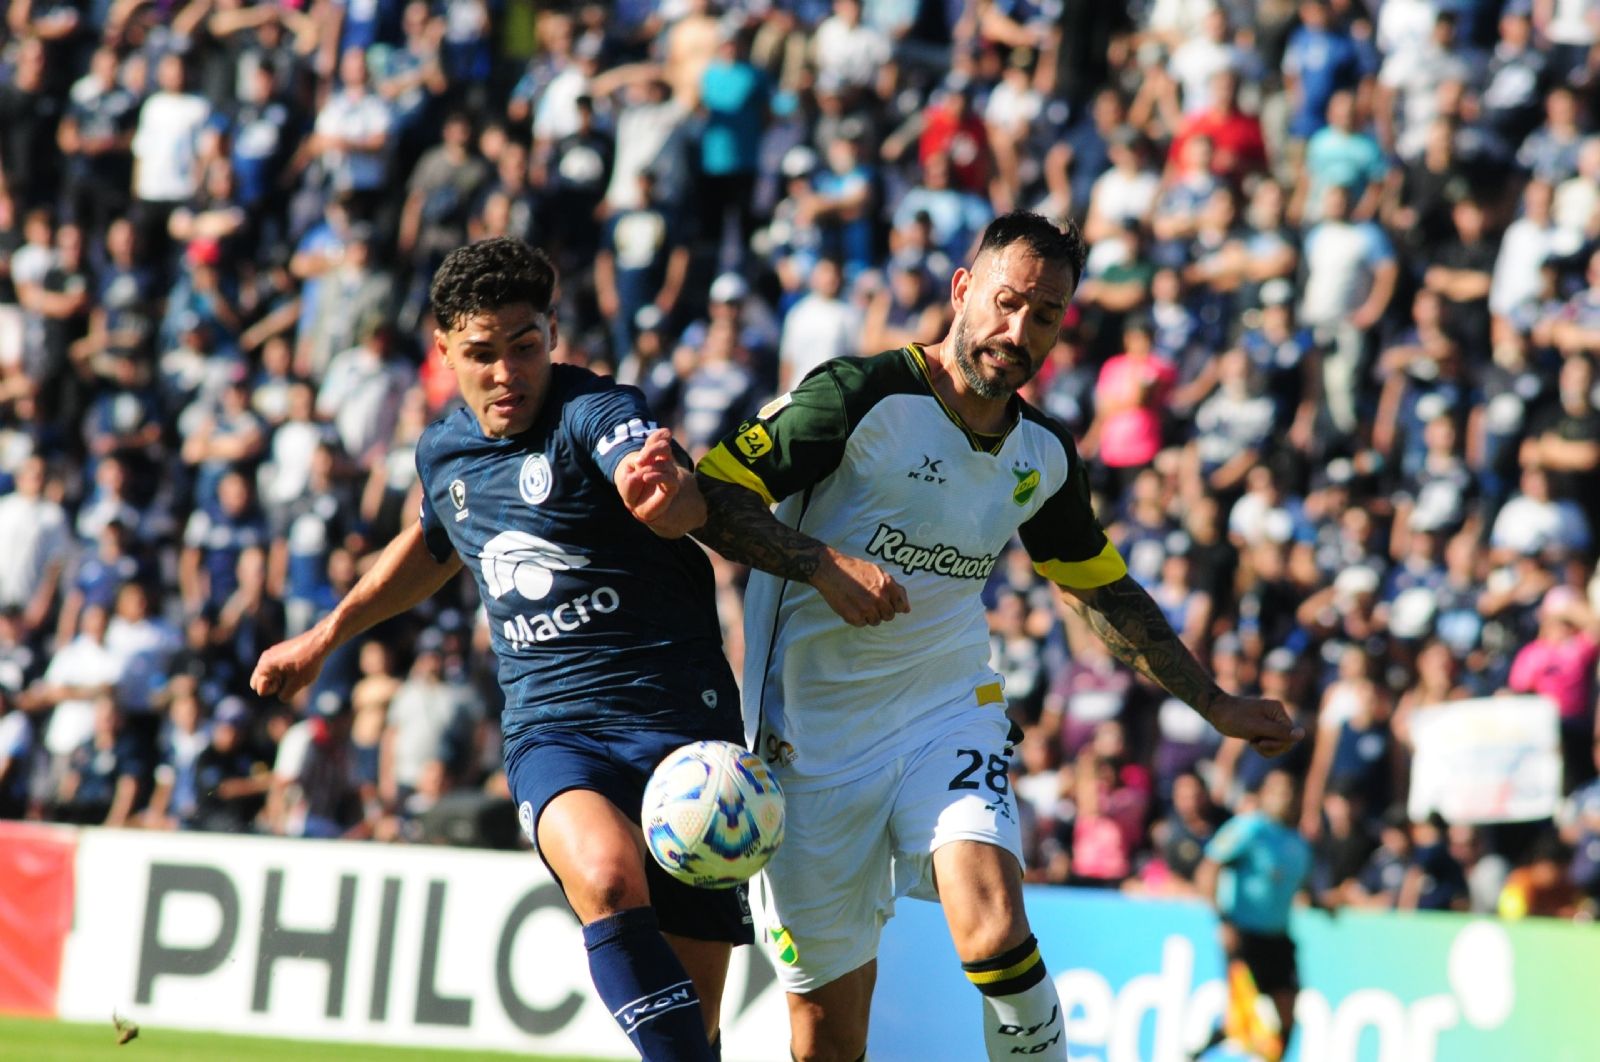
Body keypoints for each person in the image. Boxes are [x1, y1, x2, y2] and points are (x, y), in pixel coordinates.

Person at [692, 211, 1302, 1062]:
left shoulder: (1044, 453)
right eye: (1008, 302)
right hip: (809, 742)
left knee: (995, 933)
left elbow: (1104, 592)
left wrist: (1215, 701)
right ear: (963, 290)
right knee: (827, 1043)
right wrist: (823, 565)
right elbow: (713, 491)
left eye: (1044, 316)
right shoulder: (858, 395)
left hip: (947, 712)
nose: (1019, 330)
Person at [251, 237, 746, 1061]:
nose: (508, 373)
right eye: (482, 354)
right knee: (608, 880)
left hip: (683, 729)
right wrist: (324, 635)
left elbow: (657, 479)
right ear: (443, 352)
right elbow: (428, 547)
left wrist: (657, 489)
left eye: (526, 347)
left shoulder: (597, 410)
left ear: (552, 333)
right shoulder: (444, 453)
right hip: (559, 733)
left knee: (692, 1030)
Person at [1194, 769, 1313, 1062]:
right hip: (1245, 936)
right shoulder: (1249, 829)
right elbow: (1208, 869)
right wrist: (1223, 921)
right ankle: (1197, 1054)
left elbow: (1300, 889)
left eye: (1288, 792)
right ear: (1263, 794)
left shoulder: (1298, 843)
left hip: (1278, 938)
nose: (1283, 798)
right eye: (1276, 791)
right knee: (1243, 1017)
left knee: (1287, 1014)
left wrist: (1331, 900)